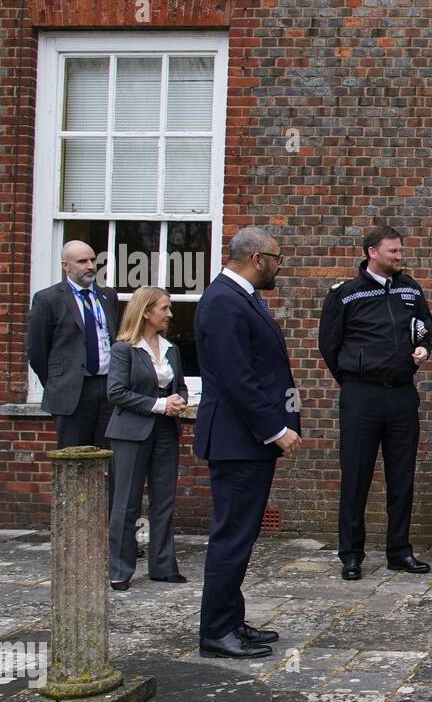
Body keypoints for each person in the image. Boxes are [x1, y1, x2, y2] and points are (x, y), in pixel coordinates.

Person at [193, 227, 299, 659]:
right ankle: (216, 631)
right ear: (257, 258)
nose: (279, 267)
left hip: (247, 442)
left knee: (241, 534)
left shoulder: (242, 298)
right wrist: (275, 429)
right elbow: (239, 378)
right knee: (232, 536)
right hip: (238, 441)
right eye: (278, 259)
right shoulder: (222, 302)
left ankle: (231, 620)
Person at [318, 224, 432, 581]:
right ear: (372, 252)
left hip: (401, 395)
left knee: (402, 477)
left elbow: (425, 326)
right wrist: (355, 378)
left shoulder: (411, 289)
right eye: (393, 252)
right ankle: (351, 555)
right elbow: (329, 345)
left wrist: (424, 347)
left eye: (401, 251)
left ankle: (399, 551)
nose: (400, 257)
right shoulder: (345, 293)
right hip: (361, 397)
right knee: (355, 477)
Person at [105, 287, 189, 592]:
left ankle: (163, 566)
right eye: (164, 308)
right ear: (146, 312)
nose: (169, 314)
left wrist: (178, 399)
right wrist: (159, 405)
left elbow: (178, 385)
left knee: (163, 501)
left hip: (166, 432)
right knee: (126, 502)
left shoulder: (171, 349)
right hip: (130, 433)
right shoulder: (124, 349)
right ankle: (120, 569)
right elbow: (116, 393)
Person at [28, 241, 119, 449]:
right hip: (72, 391)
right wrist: (58, 382)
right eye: (82, 261)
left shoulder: (108, 296)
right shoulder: (48, 299)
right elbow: (37, 351)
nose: (90, 266)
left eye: (93, 260)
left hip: (108, 388)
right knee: (74, 459)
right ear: (65, 266)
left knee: (108, 459)